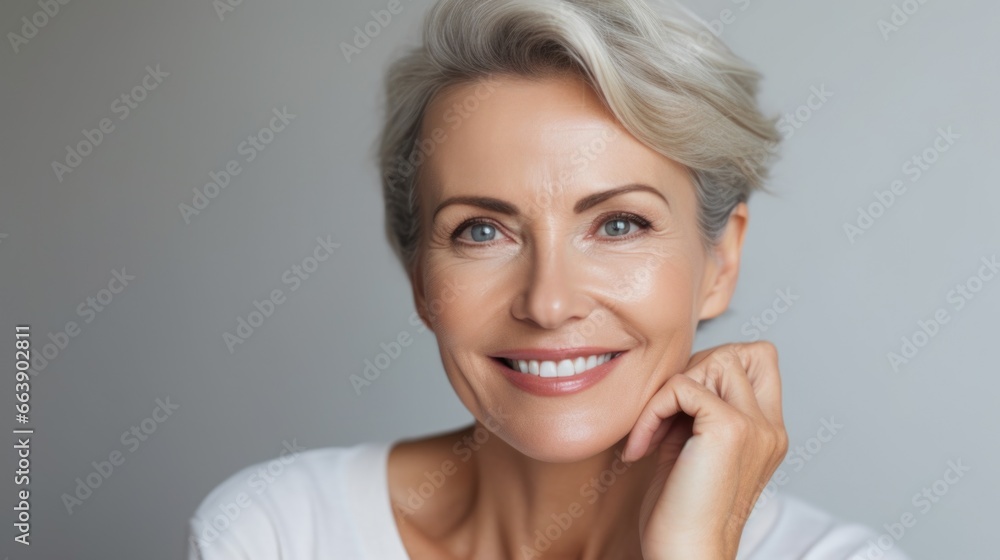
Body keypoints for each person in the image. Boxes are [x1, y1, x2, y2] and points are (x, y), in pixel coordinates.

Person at [187, 0, 913, 558]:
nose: (549, 302)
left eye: (619, 224)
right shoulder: (277, 533)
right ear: (420, 279)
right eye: (481, 231)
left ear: (720, 263)